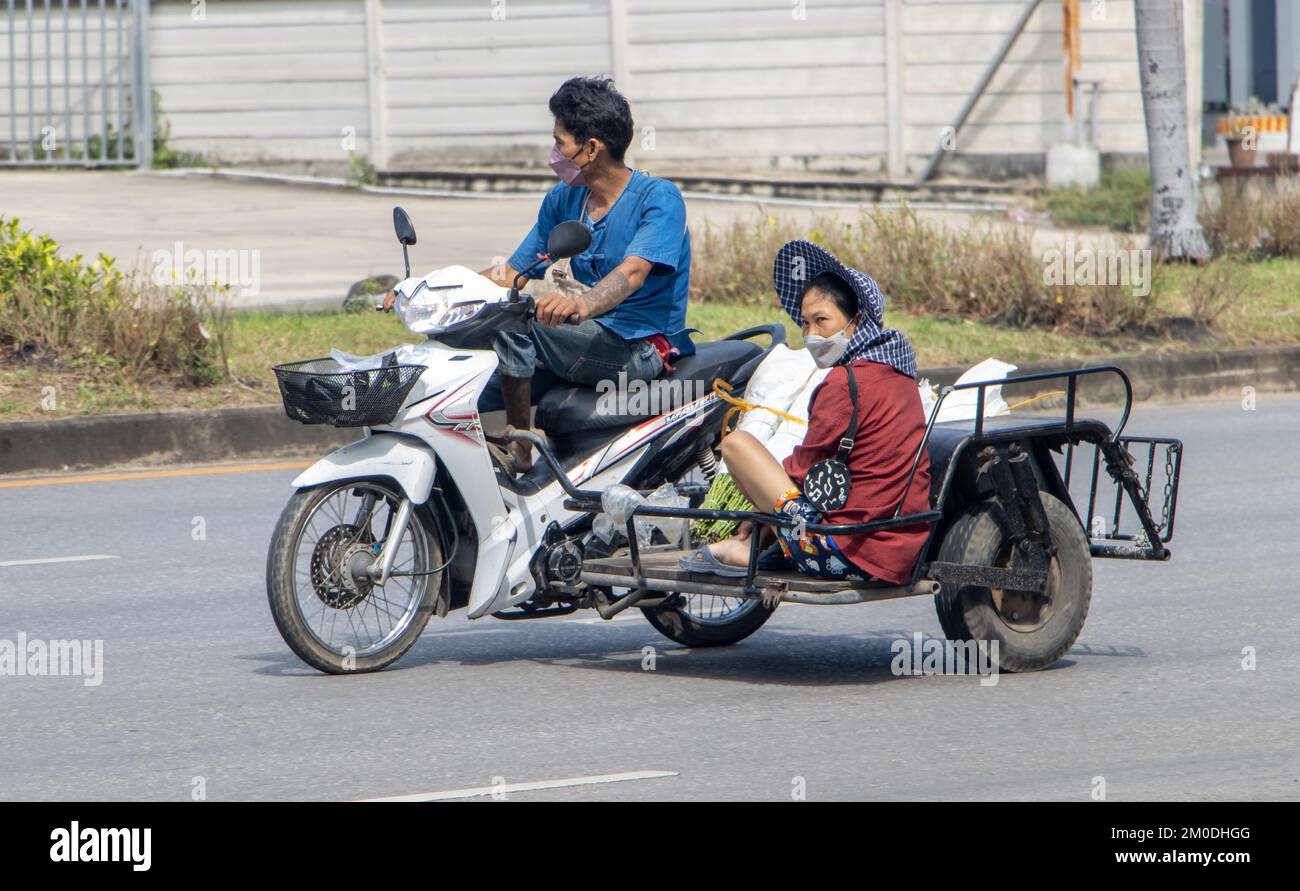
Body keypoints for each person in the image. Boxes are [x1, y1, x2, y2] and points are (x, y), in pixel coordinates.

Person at [679, 241, 933, 586]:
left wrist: (759, 509)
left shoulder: (845, 382)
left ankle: (746, 547)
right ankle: (749, 547)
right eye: (805, 323)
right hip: (901, 547)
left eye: (821, 321)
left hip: (845, 551)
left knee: (737, 445)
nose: (811, 335)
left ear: (857, 320)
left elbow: (804, 469)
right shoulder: (900, 374)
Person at [477, 76, 693, 472]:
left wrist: (582, 304)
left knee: (516, 318)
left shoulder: (659, 198)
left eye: (559, 143)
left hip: (639, 347)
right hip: (585, 337)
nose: (554, 153)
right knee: (468, 395)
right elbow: (514, 271)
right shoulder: (565, 198)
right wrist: (431, 288)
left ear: (591, 148)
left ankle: (521, 448)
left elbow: (633, 272)